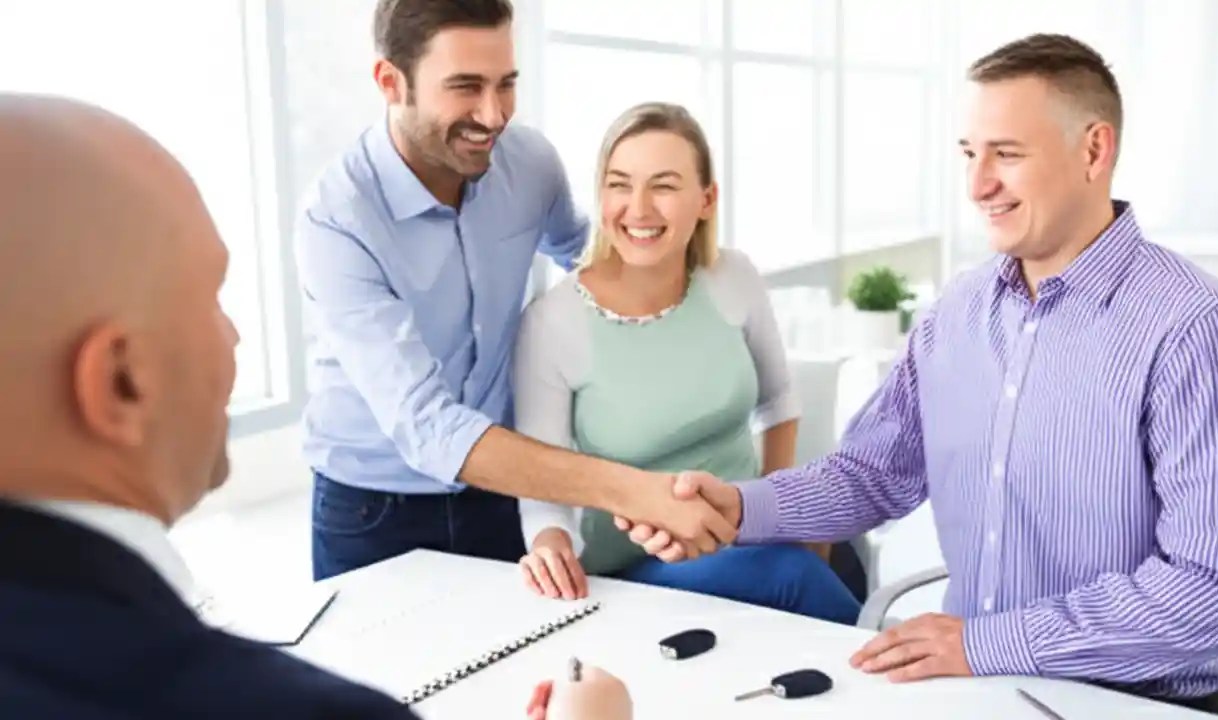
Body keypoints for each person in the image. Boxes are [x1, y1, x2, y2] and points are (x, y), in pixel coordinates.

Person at [621, 33, 1218, 707]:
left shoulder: (1203, 334)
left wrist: (984, 643)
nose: (977, 185)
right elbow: (874, 473)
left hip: (1131, 700)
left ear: (1094, 151)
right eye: (970, 154)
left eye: (1007, 155)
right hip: (969, 685)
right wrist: (739, 507)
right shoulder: (958, 313)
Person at [0, 93, 631, 720]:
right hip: (372, 503)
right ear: (121, 381)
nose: (235, 336)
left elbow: (582, 250)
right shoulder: (295, 708)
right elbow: (427, 426)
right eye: (210, 300)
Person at [297, 0, 735, 583]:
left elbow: (593, 264)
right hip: (373, 510)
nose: (494, 114)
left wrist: (688, 284)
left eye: (506, 84)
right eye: (465, 87)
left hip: (503, 492)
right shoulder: (337, 219)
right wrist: (632, 490)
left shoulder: (529, 165)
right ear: (390, 82)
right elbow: (426, 427)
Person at [512, 102, 861, 625]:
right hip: (638, 565)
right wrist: (549, 542)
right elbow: (541, 482)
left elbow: (778, 402)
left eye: (665, 186)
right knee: (794, 576)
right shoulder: (552, 324)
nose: (639, 208)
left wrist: (781, 512)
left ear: (706, 199)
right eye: (619, 184)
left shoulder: (733, 276)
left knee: (842, 557)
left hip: (746, 532)